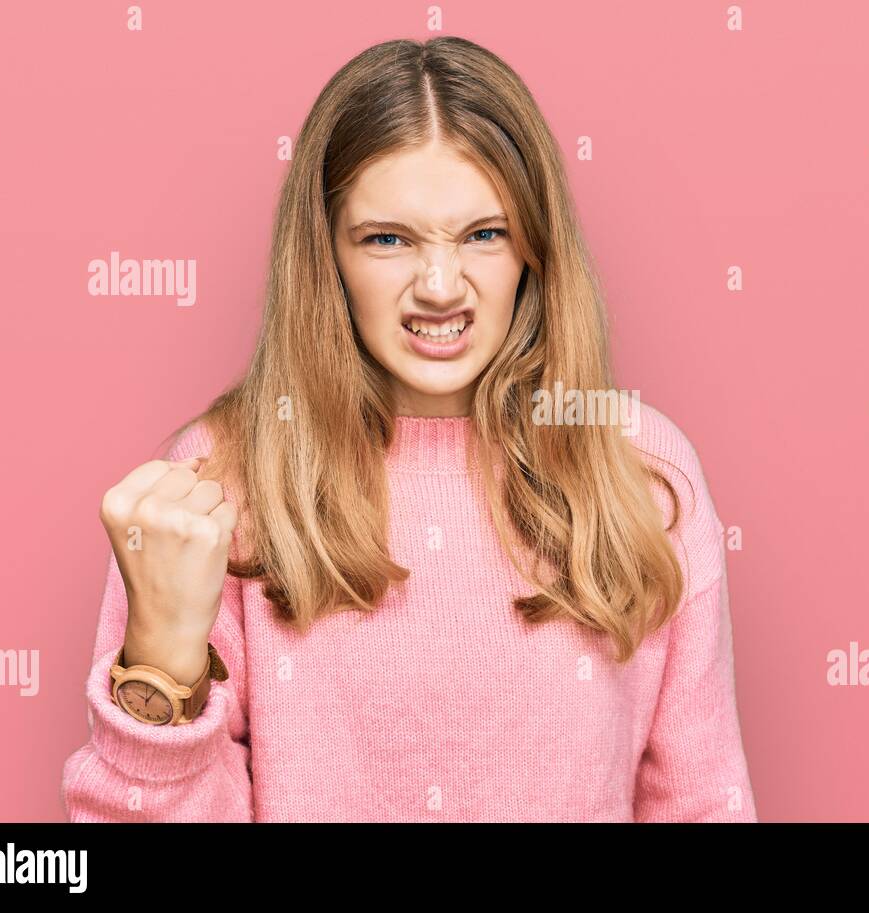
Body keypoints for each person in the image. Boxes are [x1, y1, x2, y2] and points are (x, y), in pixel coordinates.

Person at [60, 35, 756, 822]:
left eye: (483, 234)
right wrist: (159, 658)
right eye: (387, 239)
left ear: (534, 246)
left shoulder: (642, 470)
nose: (438, 286)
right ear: (328, 254)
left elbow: (704, 802)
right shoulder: (215, 487)